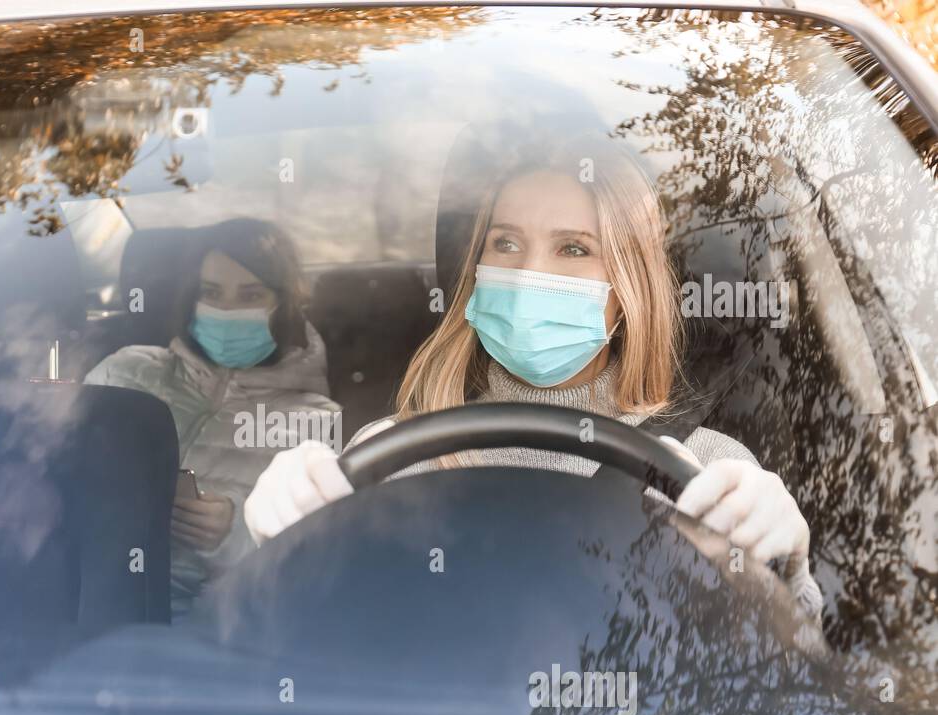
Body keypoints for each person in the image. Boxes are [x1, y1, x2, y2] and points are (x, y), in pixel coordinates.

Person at [243, 139, 823, 618]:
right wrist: (278, 542)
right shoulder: (385, 456)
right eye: (506, 243)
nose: (528, 274)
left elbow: (783, 682)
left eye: (573, 248)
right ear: (475, 270)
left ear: (628, 289)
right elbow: (309, 639)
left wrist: (785, 569)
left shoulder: (706, 471)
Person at [86, 218, 340, 615]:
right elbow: (50, 474)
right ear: (191, 299)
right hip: (80, 599)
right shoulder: (123, 370)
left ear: (285, 303)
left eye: (251, 294)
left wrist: (234, 530)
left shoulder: (315, 419)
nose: (227, 310)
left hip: (206, 627)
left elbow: (315, 553)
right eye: (211, 292)